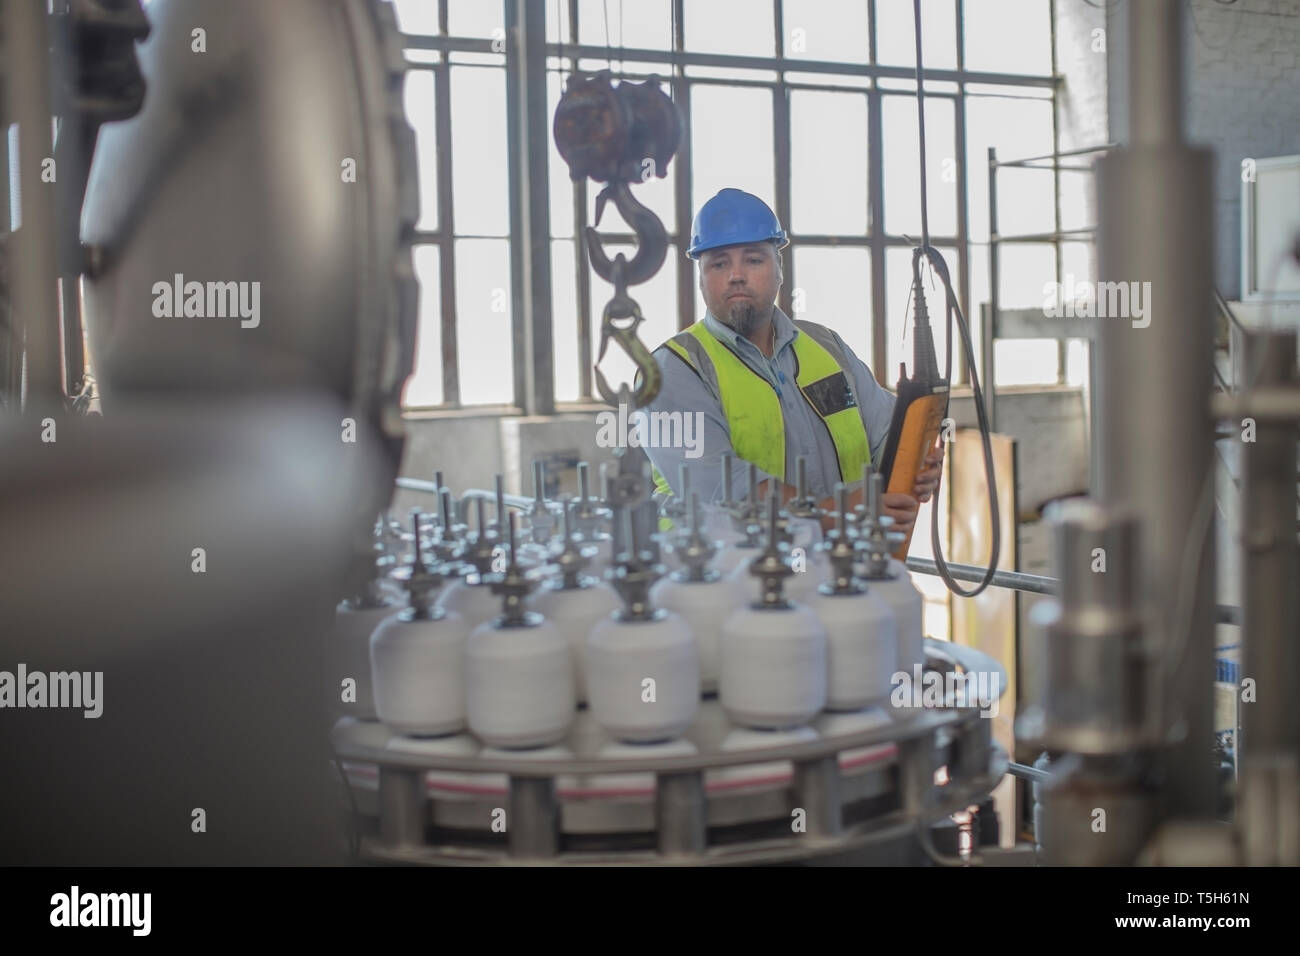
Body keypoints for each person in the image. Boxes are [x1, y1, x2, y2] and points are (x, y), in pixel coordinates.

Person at [641, 188, 943, 536]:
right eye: (719, 263)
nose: (736, 275)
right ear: (701, 276)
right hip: (724, 582)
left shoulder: (826, 346)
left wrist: (917, 463)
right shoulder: (672, 371)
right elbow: (719, 488)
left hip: (838, 572)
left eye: (753, 259)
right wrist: (840, 512)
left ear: (779, 268)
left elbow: (889, 434)